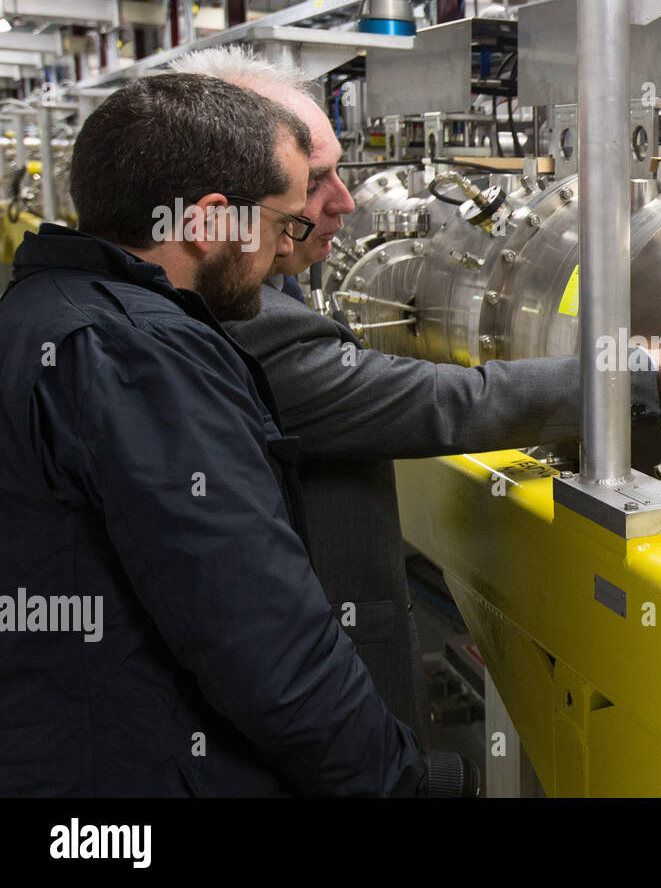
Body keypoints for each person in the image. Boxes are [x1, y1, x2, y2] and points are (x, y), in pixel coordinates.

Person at [169, 48, 660, 745]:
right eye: (313, 182)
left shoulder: (257, 287)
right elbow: (447, 403)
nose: (343, 201)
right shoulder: (244, 325)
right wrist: (639, 374)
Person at [0, 73, 468, 797]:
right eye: (285, 223)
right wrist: (399, 780)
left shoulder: (41, 306)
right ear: (209, 221)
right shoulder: (143, 359)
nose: (289, 246)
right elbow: (264, 641)